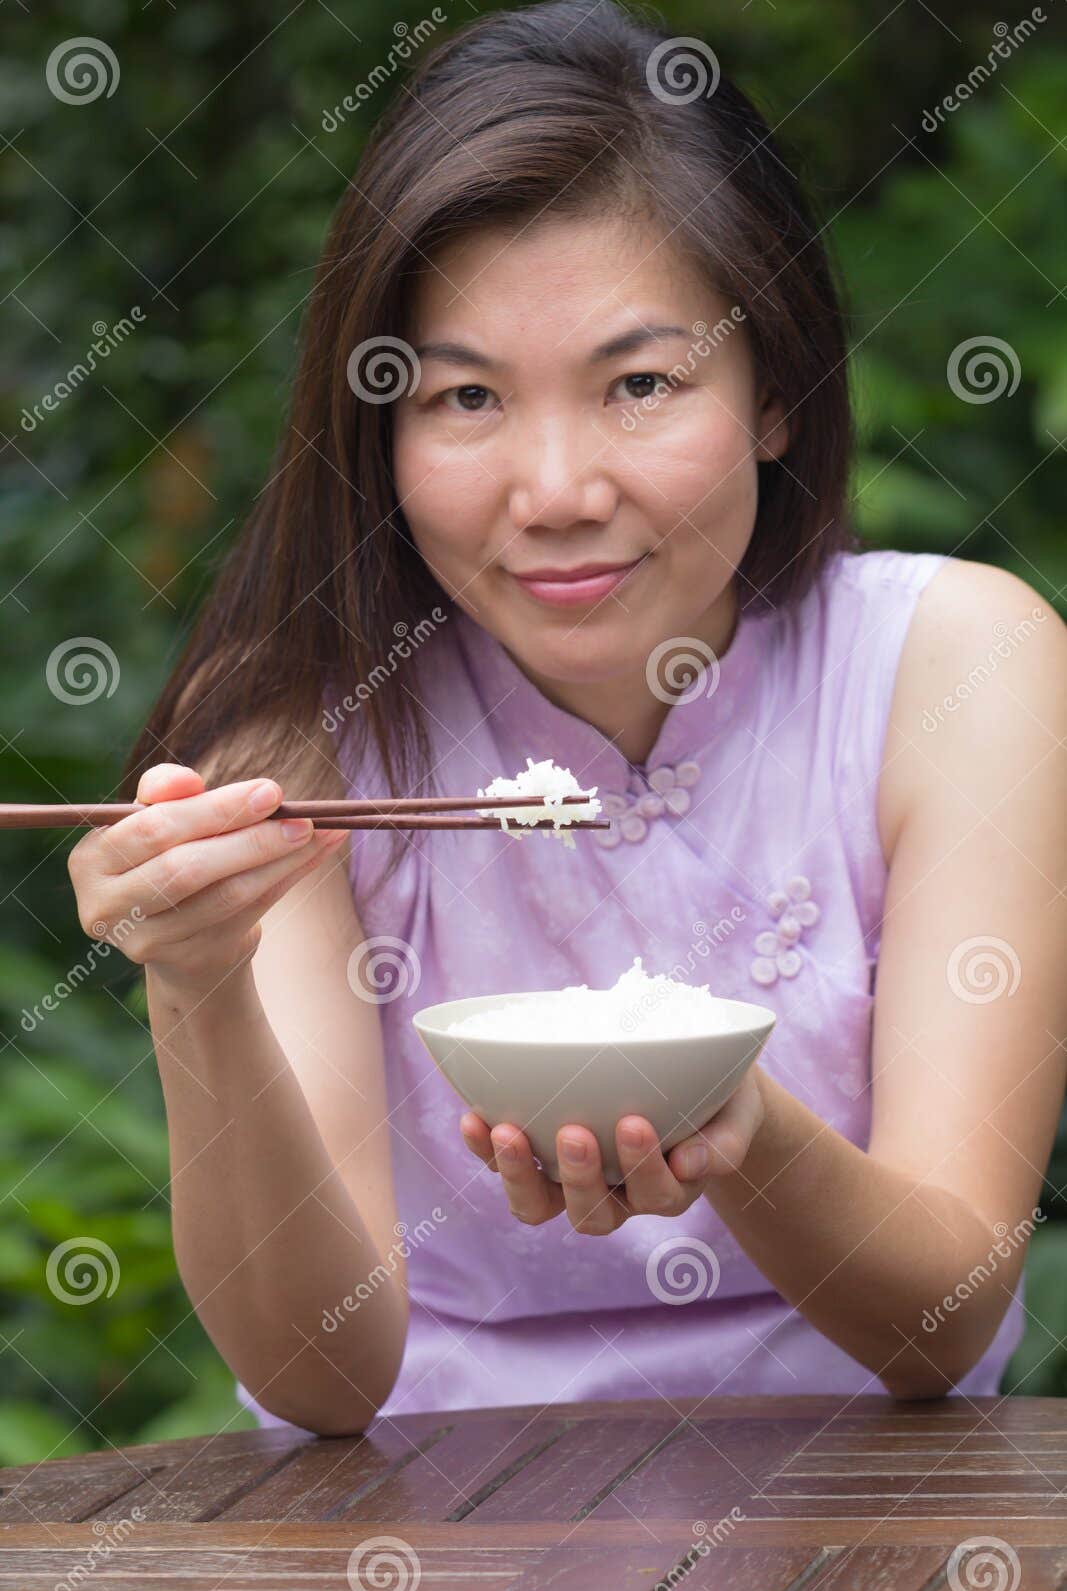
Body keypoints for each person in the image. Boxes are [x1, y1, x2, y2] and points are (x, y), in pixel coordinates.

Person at [66, 1, 1066, 1436]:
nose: (555, 492)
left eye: (640, 384)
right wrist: (198, 986)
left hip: (867, 1513)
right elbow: (317, 1379)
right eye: (467, 396)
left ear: (776, 391)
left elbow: (944, 1317)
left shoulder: (959, 666)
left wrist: (742, 1129)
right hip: (425, 1522)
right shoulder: (301, 741)